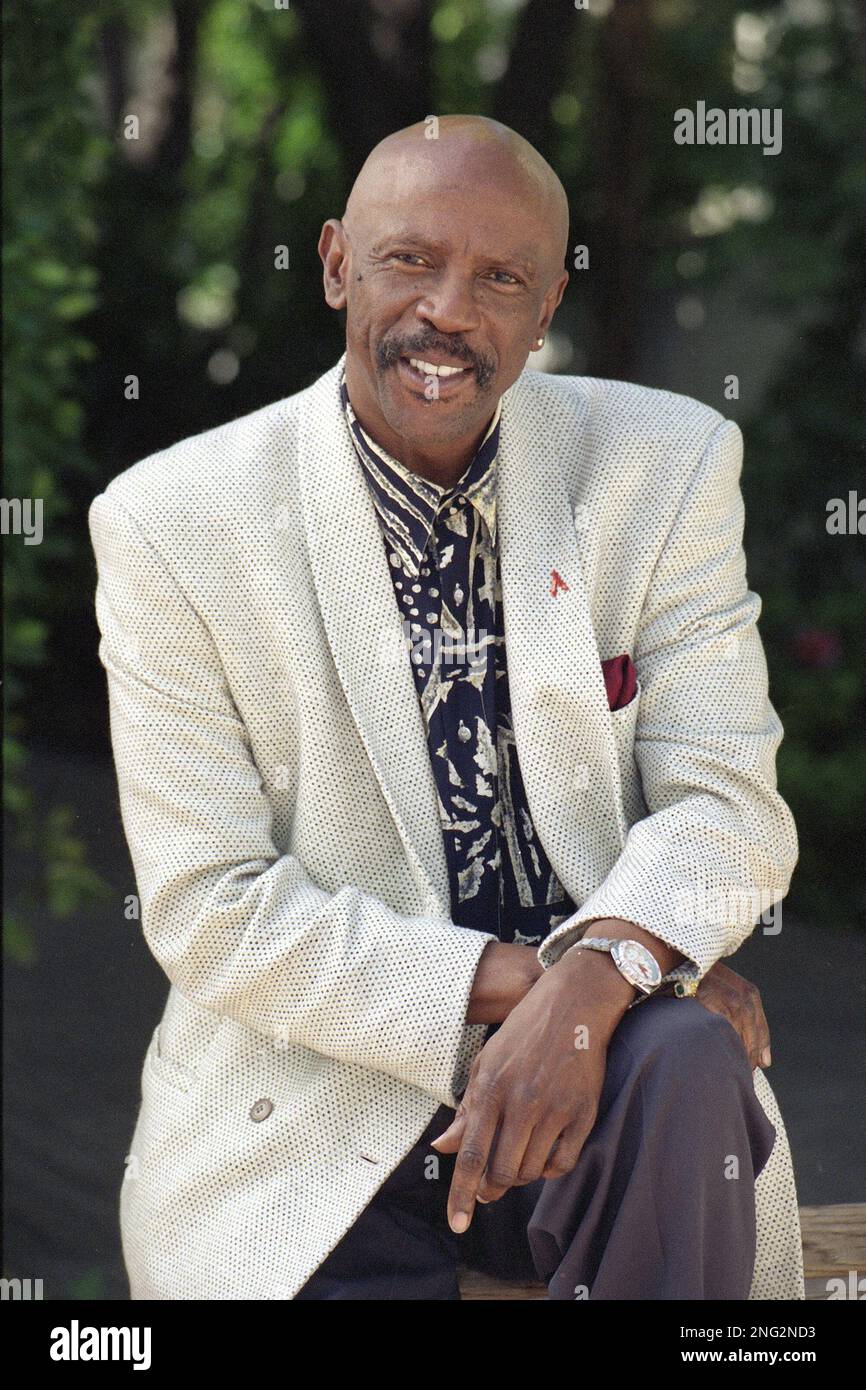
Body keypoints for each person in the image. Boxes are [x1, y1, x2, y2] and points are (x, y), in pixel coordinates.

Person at [89, 115, 804, 1301]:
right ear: (334, 265)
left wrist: (605, 992)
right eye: (409, 260)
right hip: (315, 1102)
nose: (448, 313)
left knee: (682, 1059)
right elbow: (209, 906)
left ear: (545, 304)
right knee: (670, 1025)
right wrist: (580, 976)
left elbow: (729, 802)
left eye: (500, 277)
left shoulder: (662, 464)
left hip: (610, 1077)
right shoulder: (174, 523)